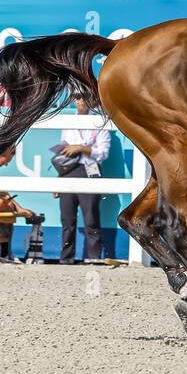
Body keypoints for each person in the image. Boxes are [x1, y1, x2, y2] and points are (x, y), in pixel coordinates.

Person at [54, 97, 112, 263]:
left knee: (91, 217)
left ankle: (93, 258)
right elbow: (62, 152)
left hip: (90, 170)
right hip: (68, 171)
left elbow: (103, 153)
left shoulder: (99, 122)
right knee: (67, 218)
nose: (80, 100)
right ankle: (66, 258)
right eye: (77, 97)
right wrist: (58, 180)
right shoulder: (68, 122)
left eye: (84, 96)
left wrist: (81, 148)